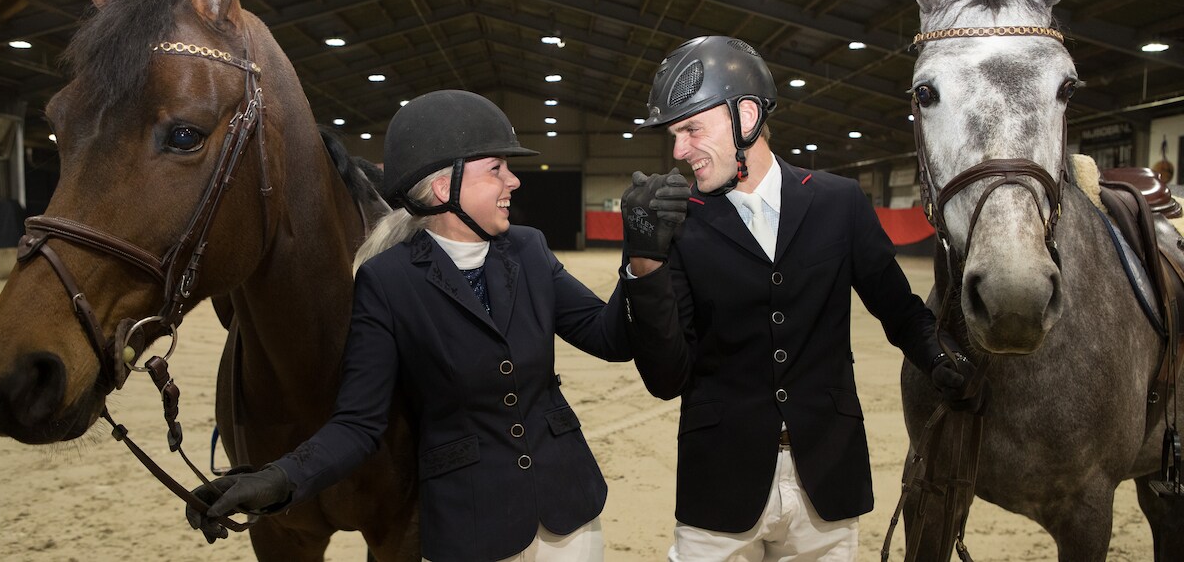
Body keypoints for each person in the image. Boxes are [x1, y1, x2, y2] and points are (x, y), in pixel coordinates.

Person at [186, 90, 636, 561]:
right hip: (472, 525)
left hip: (569, 510)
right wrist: (277, 479)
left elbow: (609, 337)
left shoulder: (531, 249)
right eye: (497, 169)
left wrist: (640, 262)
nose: (514, 182)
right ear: (445, 188)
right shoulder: (387, 281)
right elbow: (358, 424)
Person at [617, 36, 982, 561]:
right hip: (719, 483)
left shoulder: (839, 203)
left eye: (691, 129)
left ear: (746, 115)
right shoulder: (680, 223)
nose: (678, 151)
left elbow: (899, 310)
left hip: (826, 478)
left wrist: (940, 359)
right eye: (674, 135)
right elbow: (666, 377)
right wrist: (645, 262)